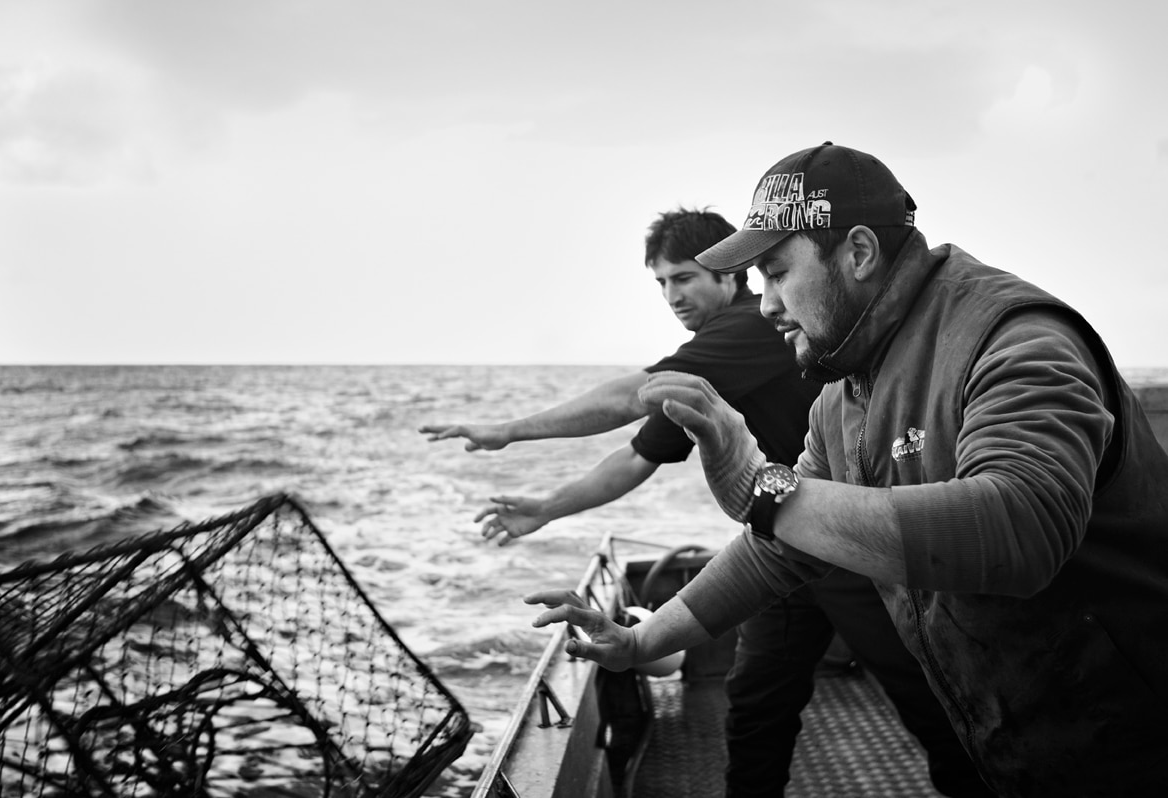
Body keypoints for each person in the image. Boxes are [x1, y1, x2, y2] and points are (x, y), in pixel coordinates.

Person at [526, 142, 1168, 797]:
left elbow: (1022, 528)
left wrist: (760, 489)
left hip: (1132, 746)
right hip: (1013, 747)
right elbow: (776, 550)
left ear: (858, 252)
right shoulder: (842, 393)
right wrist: (642, 642)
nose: (769, 305)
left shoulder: (1012, 337)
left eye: (777, 272)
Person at [422, 208, 988, 797]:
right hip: (783, 545)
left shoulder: (750, 328)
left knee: (929, 696)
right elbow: (638, 458)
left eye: (685, 277)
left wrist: (508, 429)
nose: (672, 295)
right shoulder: (709, 360)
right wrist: (545, 510)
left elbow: (631, 397)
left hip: (847, 540)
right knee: (756, 700)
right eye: (662, 283)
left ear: (729, 274)